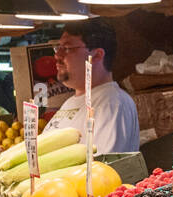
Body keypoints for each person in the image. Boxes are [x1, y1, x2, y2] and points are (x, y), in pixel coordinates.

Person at [46, 18, 139, 153]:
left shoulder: (113, 103)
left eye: (66, 48)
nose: (57, 55)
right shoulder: (70, 102)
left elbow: (102, 168)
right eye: (58, 47)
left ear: (96, 55)